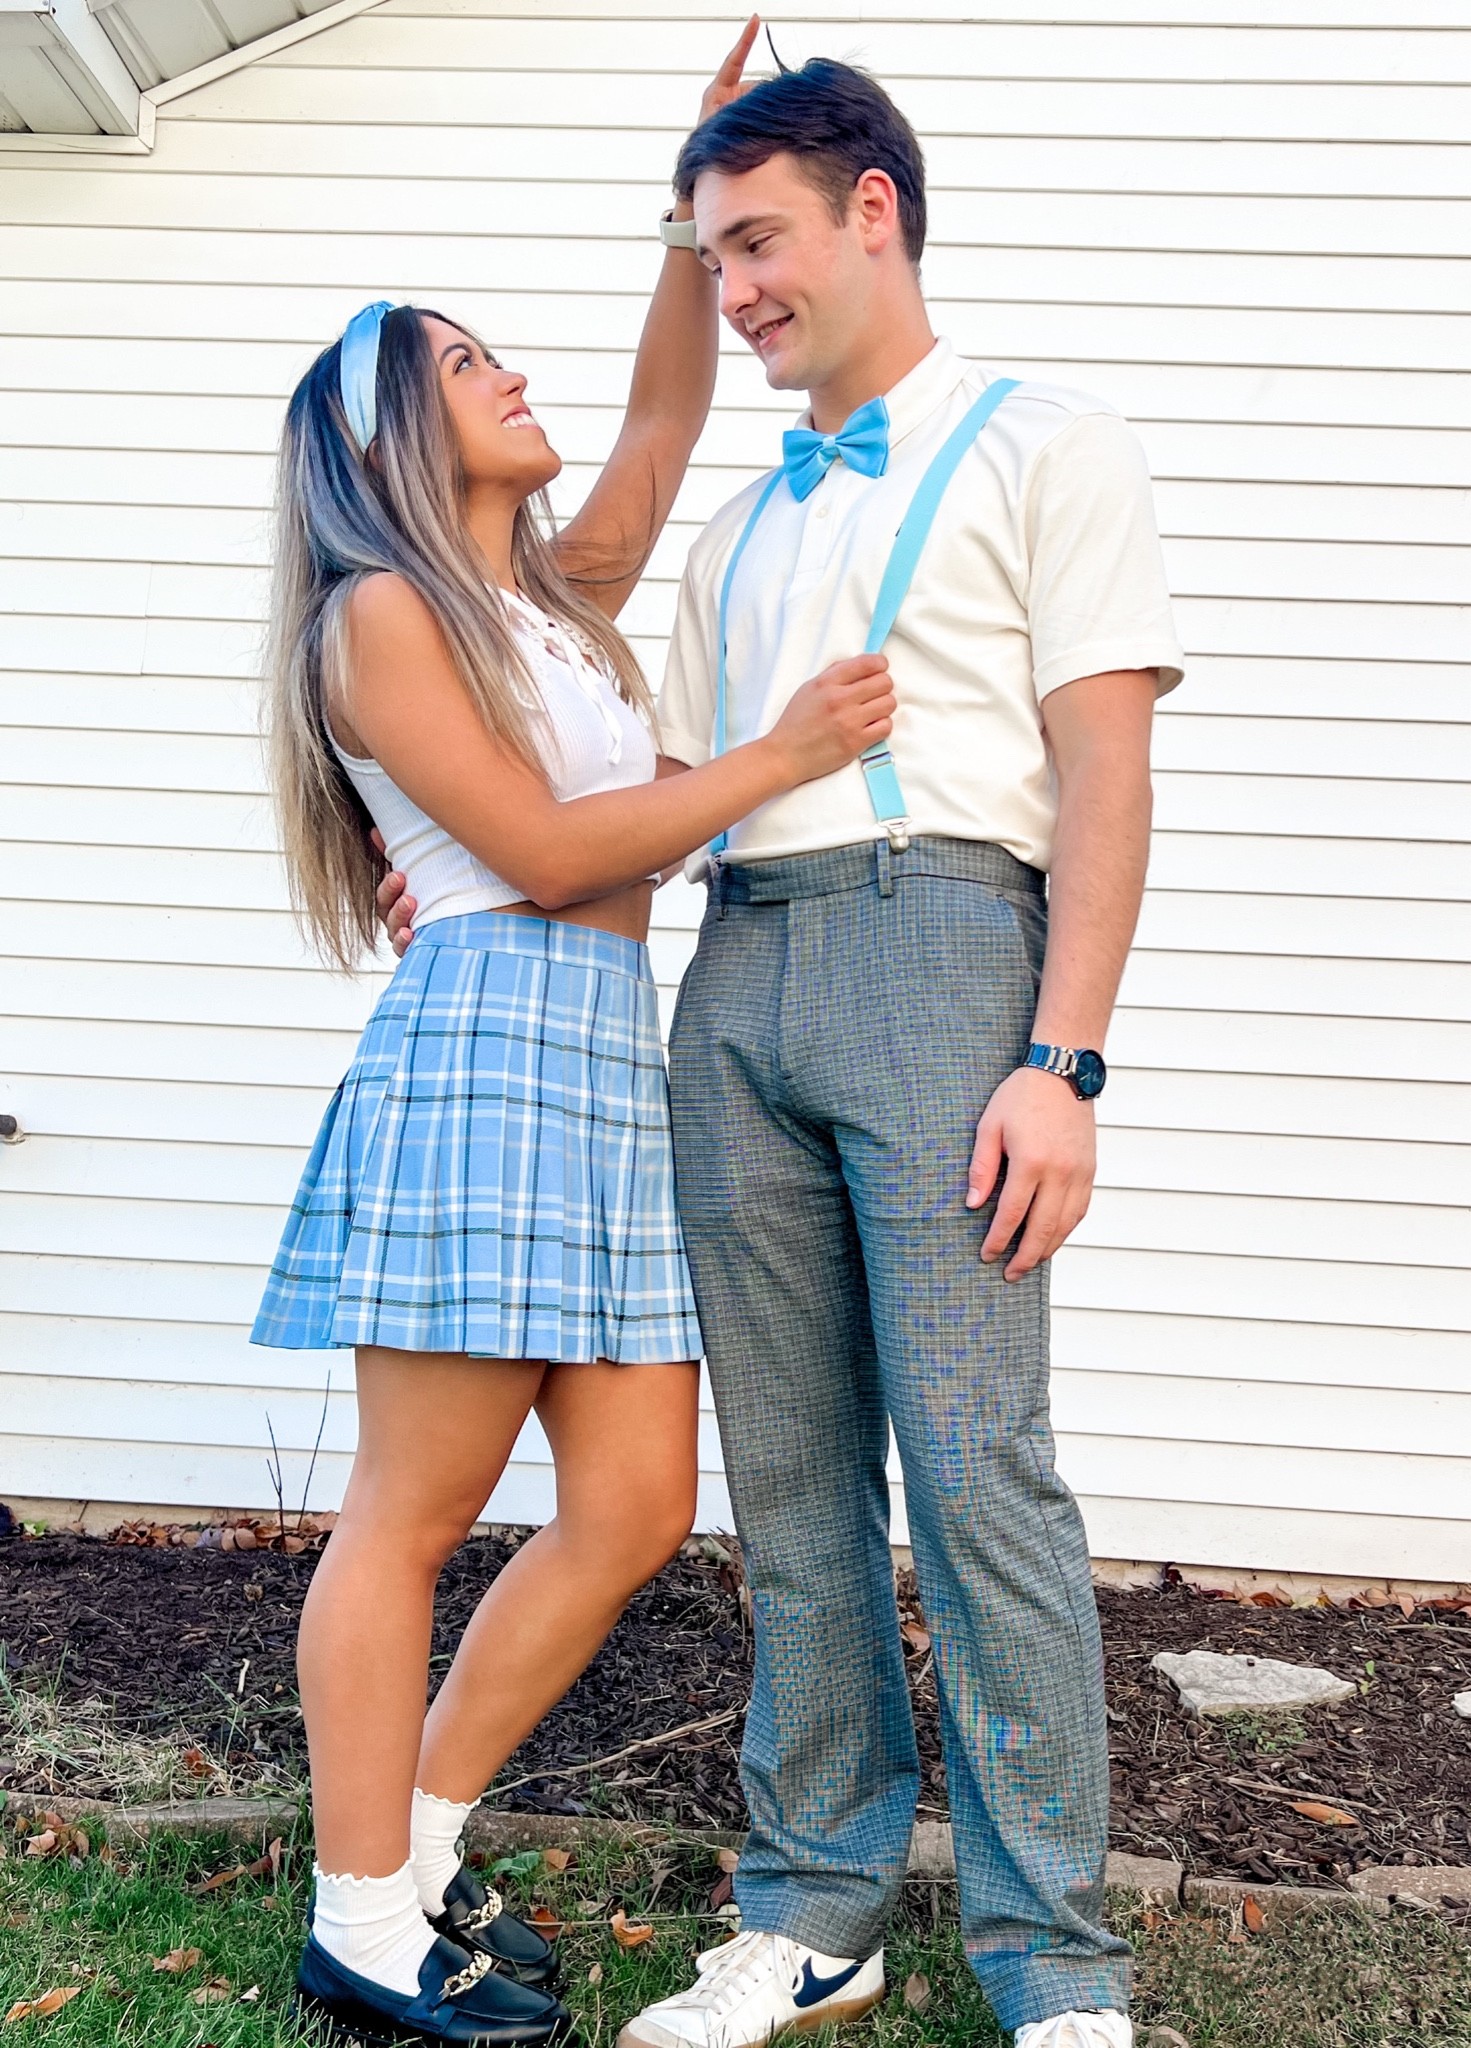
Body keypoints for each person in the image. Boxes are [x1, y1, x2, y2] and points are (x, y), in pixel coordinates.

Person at [382, 52, 1183, 2048]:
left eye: (757, 241)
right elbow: (662, 793)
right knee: (795, 1479)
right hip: (735, 980)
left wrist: (1062, 1061)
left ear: (874, 214)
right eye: (707, 253)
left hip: (947, 951)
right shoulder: (736, 531)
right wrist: (467, 874)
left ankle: (1056, 1962)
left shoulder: (1040, 441)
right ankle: (815, 1902)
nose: (732, 289)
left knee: (978, 1466)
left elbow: (1105, 767)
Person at [250, 26, 900, 2046]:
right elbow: (534, 847)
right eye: (466, 362)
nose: (509, 374)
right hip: (482, 1056)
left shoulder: (545, 597)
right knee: (413, 1512)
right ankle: (360, 1919)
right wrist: (776, 758)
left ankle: (420, 1846)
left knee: (624, 1510)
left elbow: (665, 400)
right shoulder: (382, 612)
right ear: (386, 436)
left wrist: (681, 198)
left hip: (610, 1060)